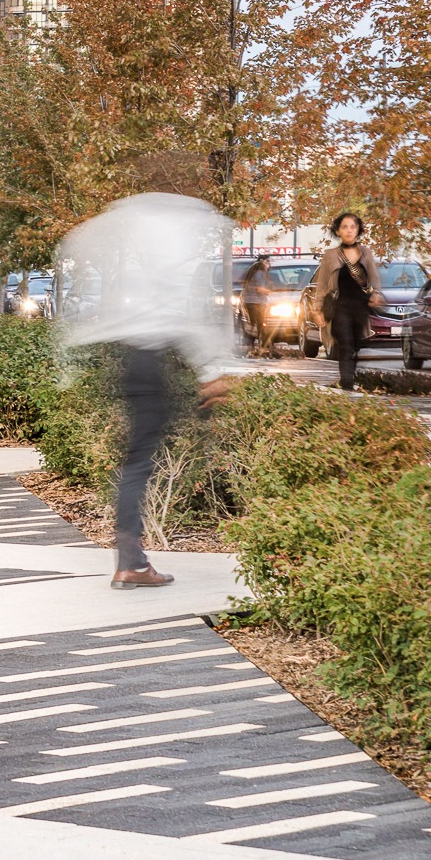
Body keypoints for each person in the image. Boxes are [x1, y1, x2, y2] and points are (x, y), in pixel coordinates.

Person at [59, 192, 233, 590]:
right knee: (140, 462)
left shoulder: (134, 230)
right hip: (152, 363)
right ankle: (131, 564)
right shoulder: (168, 246)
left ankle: (131, 561)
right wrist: (210, 370)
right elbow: (182, 314)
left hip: (134, 361)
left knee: (138, 459)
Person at [308, 211, 383, 392]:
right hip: (339, 307)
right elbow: (322, 284)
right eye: (345, 227)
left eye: (353, 227)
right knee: (346, 345)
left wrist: (377, 294)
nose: (349, 231)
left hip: (360, 309)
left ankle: (348, 379)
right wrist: (317, 310)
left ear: (358, 230)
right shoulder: (331, 255)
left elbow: (374, 277)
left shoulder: (366, 254)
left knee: (355, 345)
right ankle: (347, 384)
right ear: (338, 231)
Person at [239, 254, 273, 356]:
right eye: (268, 262)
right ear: (263, 262)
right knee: (261, 324)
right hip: (257, 302)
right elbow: (260, 289)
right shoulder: (260, 273)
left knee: (252, 323)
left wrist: (250, 288)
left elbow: (242, 282)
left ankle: (250, 345)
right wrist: (270, 291)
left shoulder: (251, 271)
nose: (269, 264)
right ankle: (263, 346)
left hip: (248, 300)